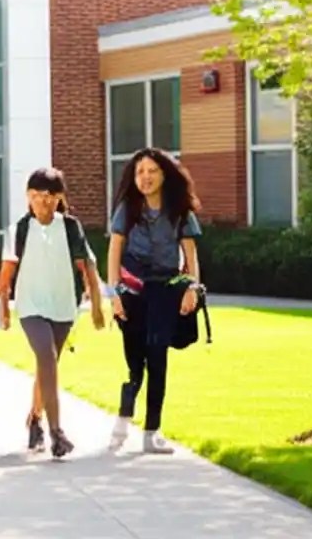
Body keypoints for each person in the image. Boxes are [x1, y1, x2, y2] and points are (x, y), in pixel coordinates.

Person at [0, 169, 104, 458]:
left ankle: (34, 417)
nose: (42, 202)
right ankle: (57, 431)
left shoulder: (70, 227)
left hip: (62, 305)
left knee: (48, 365)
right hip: (30, 305)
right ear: (27, 198)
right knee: (46, 357)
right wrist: (3, 308)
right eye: (35, 196)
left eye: (48, 197)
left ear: (59, 198)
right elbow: (6, 272)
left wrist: (96, 305)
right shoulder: (19, 229)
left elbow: (88, 266)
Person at [106, 148, 203, 454]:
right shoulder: (127, 208)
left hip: (164, 290)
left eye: (151, 171)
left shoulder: (180, 210)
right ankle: (123, 417)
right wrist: (114, 293)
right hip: (132, 290)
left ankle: (152, 431)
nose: (145, 177)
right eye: (139, 172)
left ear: (164, 174)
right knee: (136, 364)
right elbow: (114, 250)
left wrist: (192, 288)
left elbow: (190, 255)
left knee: (158, 359)